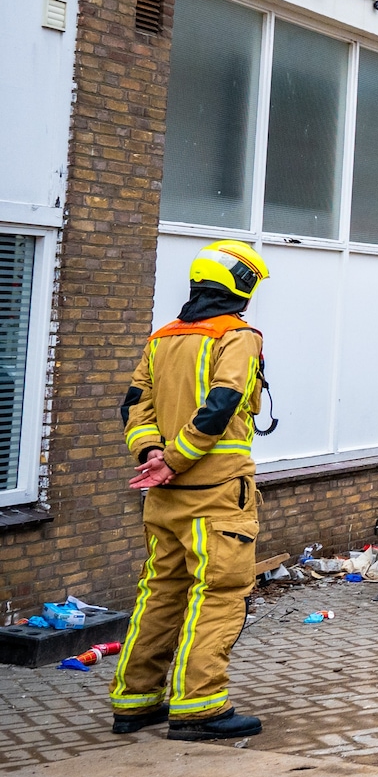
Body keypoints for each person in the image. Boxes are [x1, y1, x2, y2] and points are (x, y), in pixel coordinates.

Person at [113, 241, 273, 740]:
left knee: (160, 592)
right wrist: (177, 460)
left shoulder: (162, 338)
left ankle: (135, 701)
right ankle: (199, 707)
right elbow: (221, 404)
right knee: (219, 595)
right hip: (217, 494)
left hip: (163, 501)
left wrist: (150, 456)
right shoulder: (237, 337)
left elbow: (134, 407)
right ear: (240, 287)